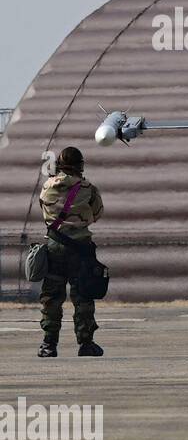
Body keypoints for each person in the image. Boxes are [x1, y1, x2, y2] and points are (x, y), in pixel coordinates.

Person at [37, 146, 105, 357]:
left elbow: (44, 211)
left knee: (51, 297)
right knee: (83, 295)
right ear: (80, 166)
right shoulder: (88, 189)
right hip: (81, 248)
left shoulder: (48, 186)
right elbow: (97, 213)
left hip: (55, 246)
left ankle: (49, 345)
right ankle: (86, 344)